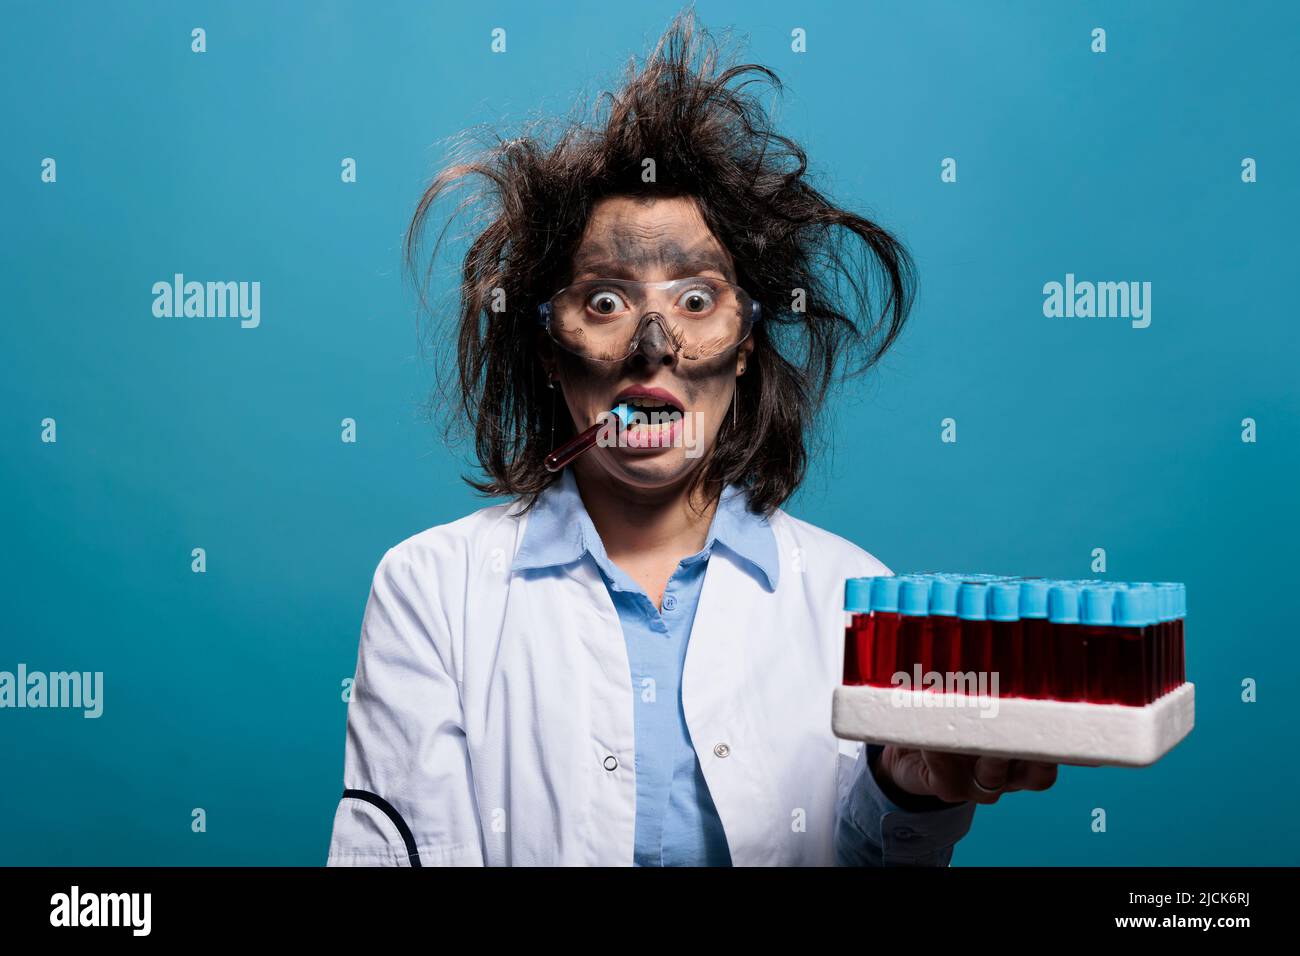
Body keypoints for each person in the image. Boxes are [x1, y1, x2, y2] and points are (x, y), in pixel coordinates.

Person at [326, 12, 1056, 867]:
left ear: (746, 347)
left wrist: (904, 793)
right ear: (548, 352)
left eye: (698, 301)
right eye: (603, 302)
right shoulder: (431, 592)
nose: (651, 349)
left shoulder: (857, 598)